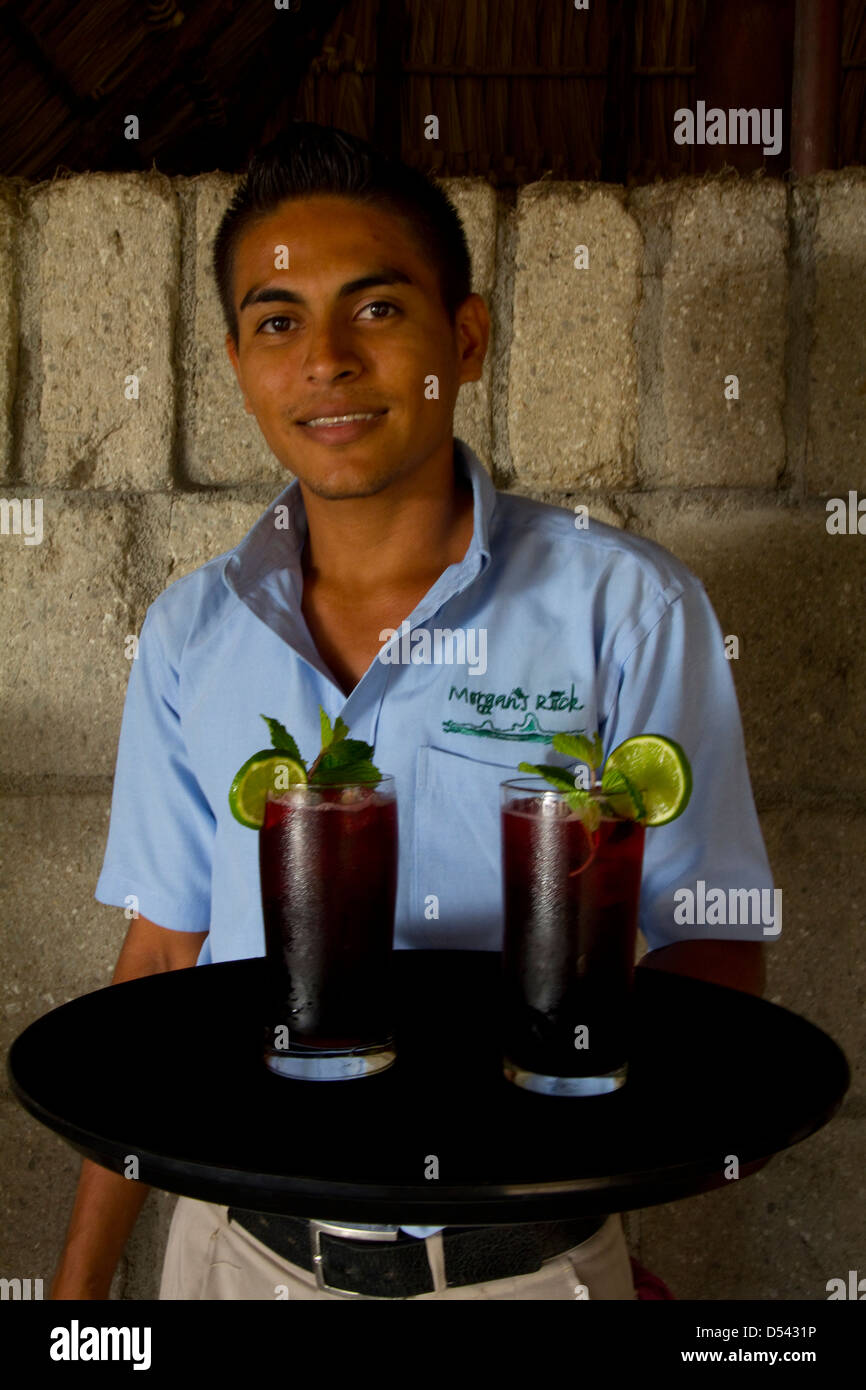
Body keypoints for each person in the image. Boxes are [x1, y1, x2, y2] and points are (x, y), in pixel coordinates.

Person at [50, 123, 773, 1302]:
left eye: (376, 309)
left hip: (520, 1269)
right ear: (237, 359)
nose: (324, 359)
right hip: (234, 1260)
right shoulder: (190, 631)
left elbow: (712, 945)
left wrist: (599, 1161)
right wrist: (76, 1285)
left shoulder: (623, 608)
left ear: (465, 338)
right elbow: (163, 950)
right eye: (277, 320)